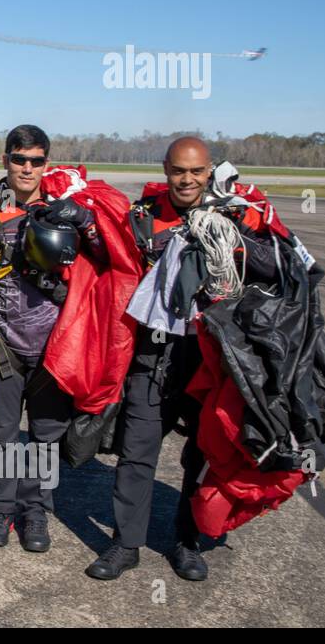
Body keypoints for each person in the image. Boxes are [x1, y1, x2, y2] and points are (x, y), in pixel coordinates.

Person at [86, 136, 277, 582]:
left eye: (195, 171)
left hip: (210, 358)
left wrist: (238, 235)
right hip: (153, 355)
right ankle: (125, 544)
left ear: (209, 172)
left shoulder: (236, 215)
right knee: (137, 453)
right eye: (178, 171)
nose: (186, 179)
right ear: (166, 170)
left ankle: (186, 543)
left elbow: (276, 266)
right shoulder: (143, 218)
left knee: (202, 454)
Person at [0, 125, 101, 552]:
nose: (27, 168)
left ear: (46, 162)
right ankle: (2, 508)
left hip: (54, 347)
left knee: (46, 435)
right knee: (1, 431)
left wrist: (84, 220)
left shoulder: (69, 208)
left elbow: (111, 257)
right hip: (1, 343)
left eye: (36, 161)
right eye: (18, 159)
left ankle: (36, 512)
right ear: (6, 159)